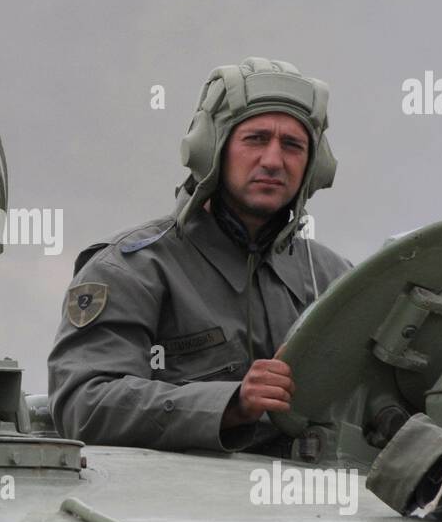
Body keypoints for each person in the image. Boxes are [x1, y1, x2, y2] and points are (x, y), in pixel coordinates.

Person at [48, 57, 352, 456]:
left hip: (322, 510)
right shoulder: (132, 270)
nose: (274, 161)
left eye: (292, 145)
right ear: (212, 150)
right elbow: (84, 405)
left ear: (314, 166)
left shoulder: (335, 280)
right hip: (178, 512)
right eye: (256, 139)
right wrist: (229, 405)